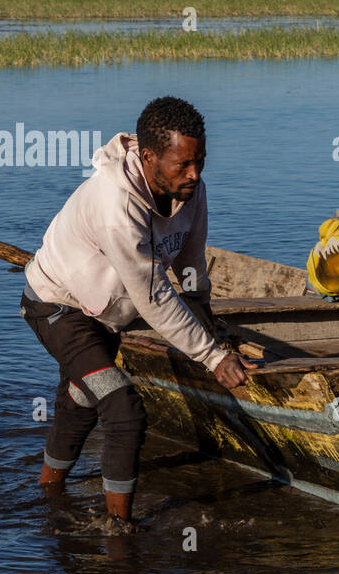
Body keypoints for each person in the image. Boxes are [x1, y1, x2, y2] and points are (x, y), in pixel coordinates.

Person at [20, 96, 251, 525]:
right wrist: (212, 357)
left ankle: (48, 492)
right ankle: (119, 530)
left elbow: (191, 266)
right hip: (59, 307)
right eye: (182, 164)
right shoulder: (116, 204)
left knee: (81, 395)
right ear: (148, 157)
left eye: (199, 161)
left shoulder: (190, 191)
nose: (195, 174)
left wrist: (207, 320)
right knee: (124, 410)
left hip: (111, 305)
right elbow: (153, 295)